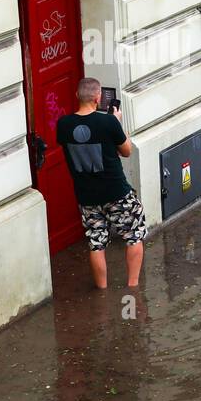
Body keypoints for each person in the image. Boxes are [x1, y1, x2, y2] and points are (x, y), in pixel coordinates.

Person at [55, 77, 146, 289]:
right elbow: (126, 151)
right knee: (134, 235)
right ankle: (132, 287)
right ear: (97, 98)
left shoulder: (63, 125)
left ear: (77, 96)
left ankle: (102, 289)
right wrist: (117, 122)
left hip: (87, 196)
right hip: (117, 192)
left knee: (96, 243)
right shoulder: (108, 122)